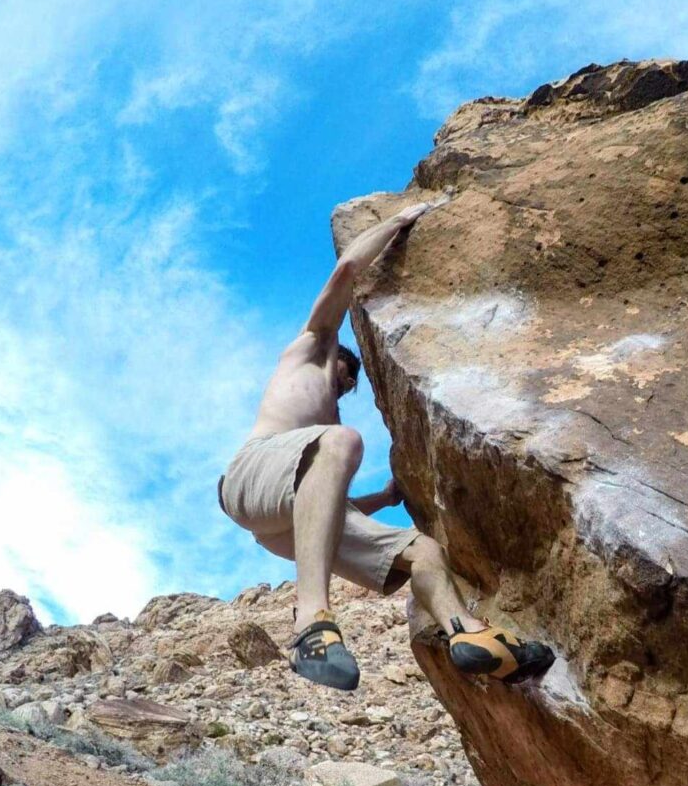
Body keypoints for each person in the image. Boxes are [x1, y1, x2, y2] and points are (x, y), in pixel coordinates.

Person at [219, 202, 555, 691]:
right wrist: (399, 221)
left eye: (354, 382)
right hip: (250, 475)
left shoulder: (322, 432)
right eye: (346, 373)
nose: (348, 383)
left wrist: (387, 497)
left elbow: (324, 506)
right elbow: (347, 270)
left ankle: (472, 636)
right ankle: (311, 622)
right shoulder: (311, 347)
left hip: (284, 511)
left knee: (424, 552)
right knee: (340, 441)